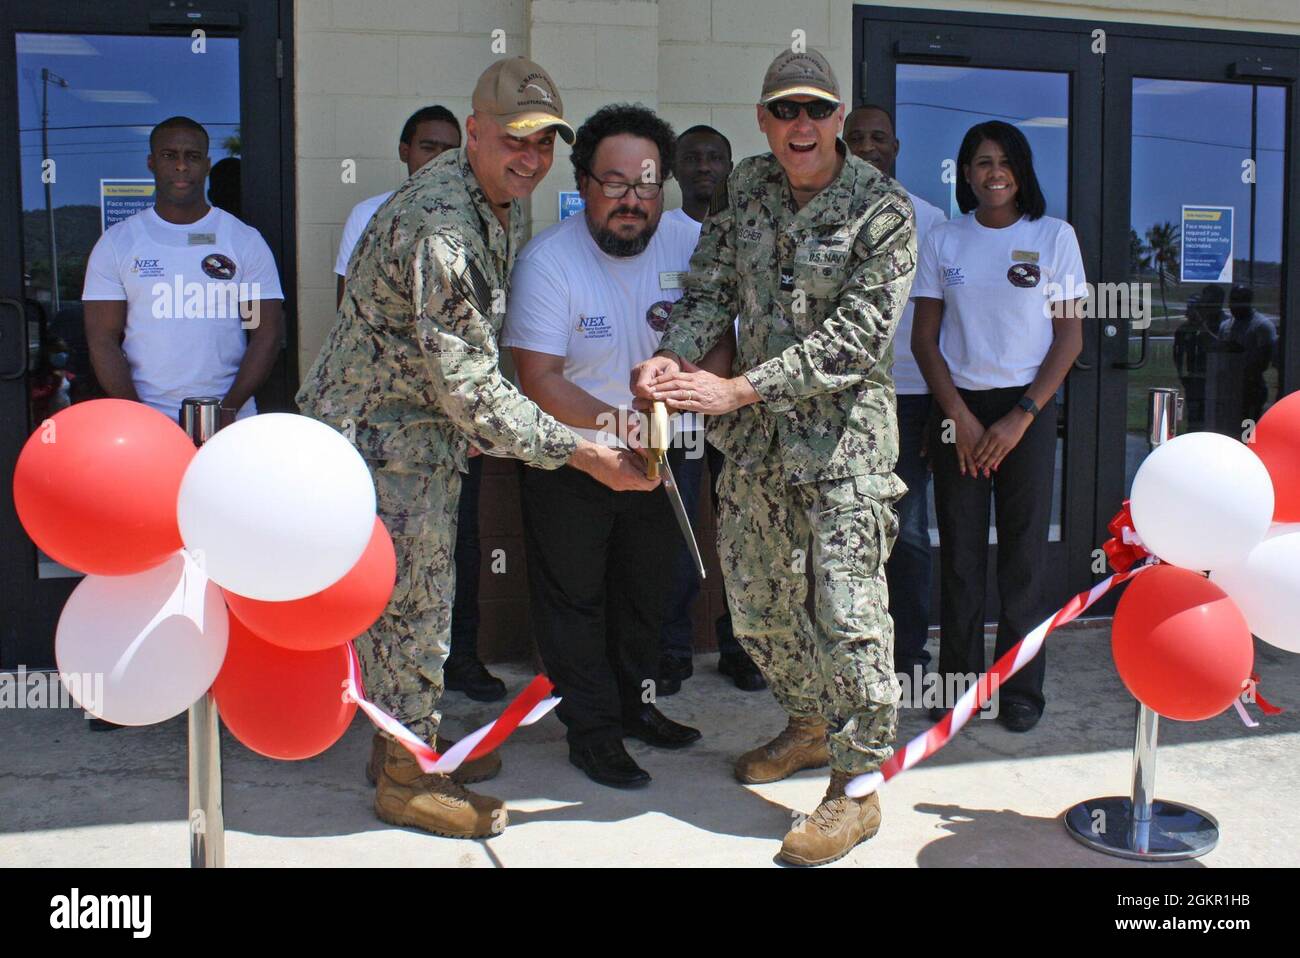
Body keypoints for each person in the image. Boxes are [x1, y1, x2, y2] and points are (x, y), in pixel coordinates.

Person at [297, 58, 658, 840]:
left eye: (544, 143)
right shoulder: (445, 226)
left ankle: (405, 746)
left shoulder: (497, 202)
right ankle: (403, 779)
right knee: (415, 607)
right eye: (514, 139)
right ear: (474, 132)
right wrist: (581, 450)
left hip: (422, 430)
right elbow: (469, 384)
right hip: (381, 435)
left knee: (415, 599)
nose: (530, 158)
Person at [631, 47, 917, 866]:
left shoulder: (884, 211)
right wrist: (675, 360)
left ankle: (857, 789)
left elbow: (858, 340)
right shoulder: (749, 186)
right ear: (763, 119)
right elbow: (712, 288)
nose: (801, 125)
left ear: (838, 120)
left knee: (850, 617)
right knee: (755, 608)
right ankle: (808, 723)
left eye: (817, 111)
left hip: (845, 449)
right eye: (785, 110)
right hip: (756, 450)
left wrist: (739, 388)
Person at [503, 104, 709, 789]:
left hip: (664, 455)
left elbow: (724, 336)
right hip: (572, 460)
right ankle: (591, 731)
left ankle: (635, 707)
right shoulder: (549, 261)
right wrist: (621, 430)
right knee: (576, 601)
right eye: (614, 183)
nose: (632, 201)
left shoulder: (691, 242)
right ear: (583, 182)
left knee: (646, 594)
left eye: (647, 184)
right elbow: (538, 381)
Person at [909, 120, 1084, 735]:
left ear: (1023, 170)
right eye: (981, 162)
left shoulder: (1054, 236)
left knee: (1023, 558)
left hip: (1027, 412)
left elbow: (1069, 337)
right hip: (959, 407)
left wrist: (1021, 417)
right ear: (965, 173)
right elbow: (924, 339)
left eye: (1005, 161)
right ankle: (960, 687)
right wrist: (957, 414)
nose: (994, 173)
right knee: (958, 555)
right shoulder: (945, 241)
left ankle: (1019, 688)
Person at [84, 116, 284, 429]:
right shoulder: (118, 243)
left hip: (230, 417)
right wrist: (140, 416)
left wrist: (228, 409)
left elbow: (265, 333)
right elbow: (102, 340)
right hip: (149, 420)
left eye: (192, 156)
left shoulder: (243, 240)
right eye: (169, 156)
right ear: (151, 163)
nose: (180, 166)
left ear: (206, 164)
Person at [657, 124, 764, 697]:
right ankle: (672, 647)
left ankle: (741, 647)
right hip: (679, 412)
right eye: (692, 158)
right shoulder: (660, 233)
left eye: (715, 158)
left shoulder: (750, 232)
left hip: (743, 407)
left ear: (730, 166)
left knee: (742, 533)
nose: (705, 167)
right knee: (677, 533)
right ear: (673, 169)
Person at [844, 104, 947, 688]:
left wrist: (940, 406)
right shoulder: (822, 214)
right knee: (838, 529)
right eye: (855, 137)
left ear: (896, 147)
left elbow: (947, 323)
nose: (866, 146)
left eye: (877, 137)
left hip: (908, 397)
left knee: (905, 531)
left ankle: (906, 656)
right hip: (838, 395)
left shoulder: (930, 221)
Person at [334, 105, 462, 308]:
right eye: (428, 148)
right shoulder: (368, 215)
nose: (439, 160)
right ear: (405, 151)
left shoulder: (474, 217)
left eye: (449, 152)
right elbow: (347, 307)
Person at [1219, 283, 1276, 424]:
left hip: (1251, 391)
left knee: (1248, 432)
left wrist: (1240, 353)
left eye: (1239, 300)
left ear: (1248, 301)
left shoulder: (1262, 326)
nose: (1234, 305)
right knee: (1227, 430)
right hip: (1227, 389)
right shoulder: (1226, 326)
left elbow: (1263, 362)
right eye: (1232, 300)